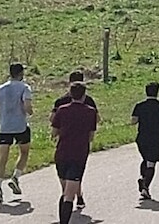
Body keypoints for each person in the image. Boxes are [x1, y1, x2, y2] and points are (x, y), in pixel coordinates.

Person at [50, 82, 96, 224]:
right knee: (69, 195)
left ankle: (63, 219)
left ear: (70, 94)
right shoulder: (90, 112)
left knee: (65, 191)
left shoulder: (62, 110)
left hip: (62, 153)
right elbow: (91, 136)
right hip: (79, 154)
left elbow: (54, 132)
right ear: (84, 95)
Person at [0, 63, 32, 206]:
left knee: (2, 157)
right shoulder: (25, 88)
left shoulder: (1, 88)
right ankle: (15, 177)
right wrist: (30, 111)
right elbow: (27, 106)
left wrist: (0, 107)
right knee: (24, 152)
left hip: (4, 127)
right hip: (20, 126)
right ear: (21, 74)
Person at [130, 82, 159, 200]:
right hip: (155, 138)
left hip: (141, 137)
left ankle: (143, 177)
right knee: (151, 163)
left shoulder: (139, 106)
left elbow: (133, 121)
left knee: (145, 159)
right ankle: (145, 186)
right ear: (157, 92)